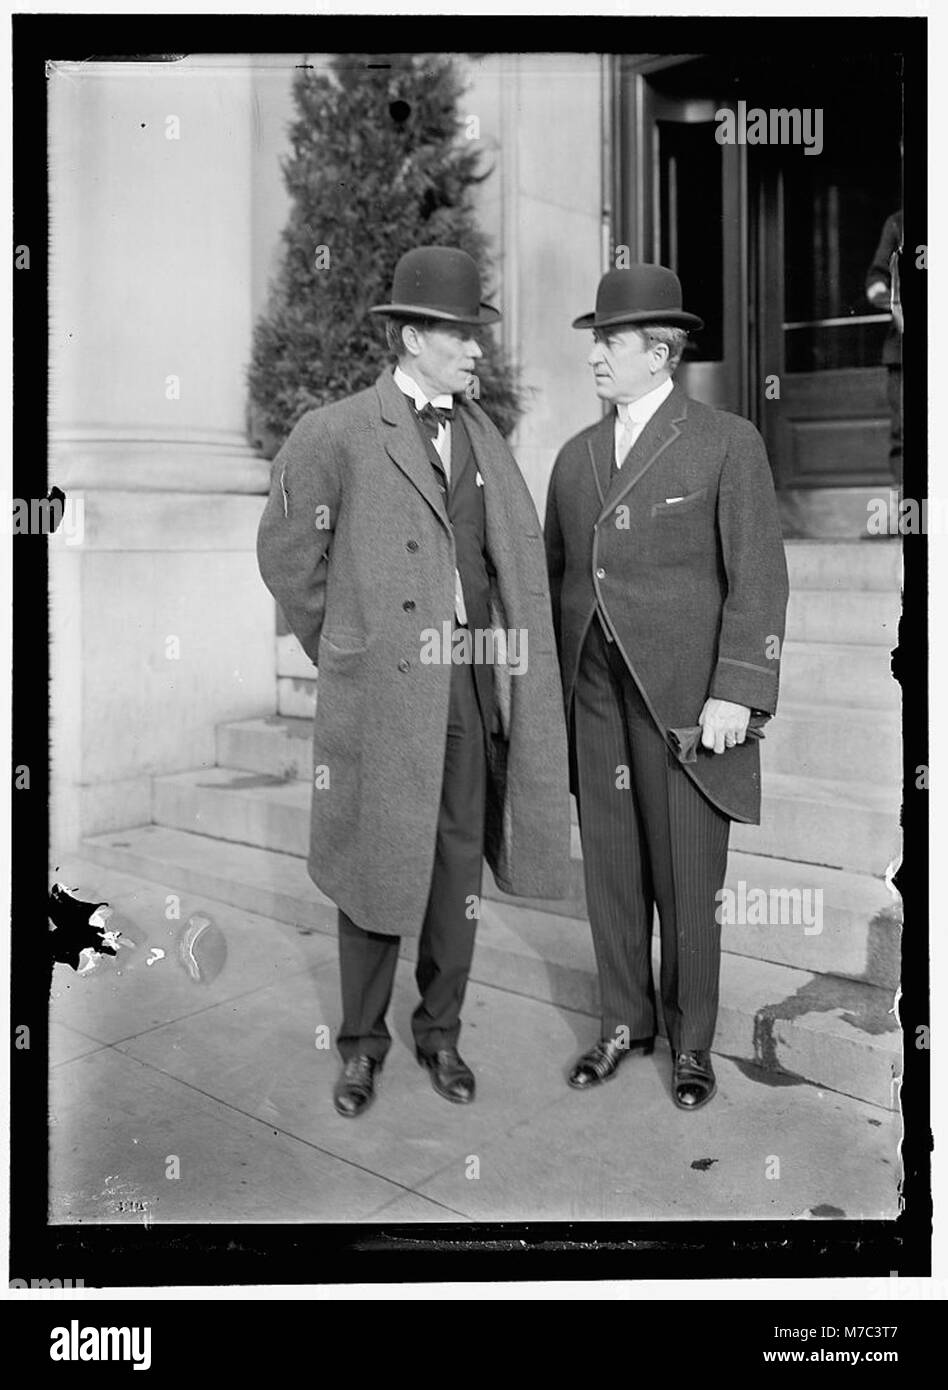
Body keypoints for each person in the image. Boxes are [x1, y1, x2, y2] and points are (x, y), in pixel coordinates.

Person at [257, 246, 570, 1118]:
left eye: (476, 335)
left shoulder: (484, 439)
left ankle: (442, 1034)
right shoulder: (337, 430)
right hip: (385, 690)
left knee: (455, 865)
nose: (478, 351)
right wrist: (344, 648)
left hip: (467, 685)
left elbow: (508, 566)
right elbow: (286, 553)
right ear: (415, 337)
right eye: (463, 335)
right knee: (372, 862)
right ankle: (360, 1048)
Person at [544, 264, 789, 1111]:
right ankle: (622, 1022)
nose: (596, 358)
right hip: (594, 694)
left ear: (660, 352)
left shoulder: (725, 441)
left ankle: (691, 1043)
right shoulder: (575, 458)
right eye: (596, 343)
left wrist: (739, 690)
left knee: (688, 878)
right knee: (611, 870)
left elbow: (758, 578)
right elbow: (557, 580)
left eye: (609, 343)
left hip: (686, 702)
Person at [865, 208, 904, 470]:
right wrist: (895, 302)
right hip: (903, 351)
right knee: (905, 433)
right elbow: (876, 279)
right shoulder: (898, 223)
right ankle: (907, 509)